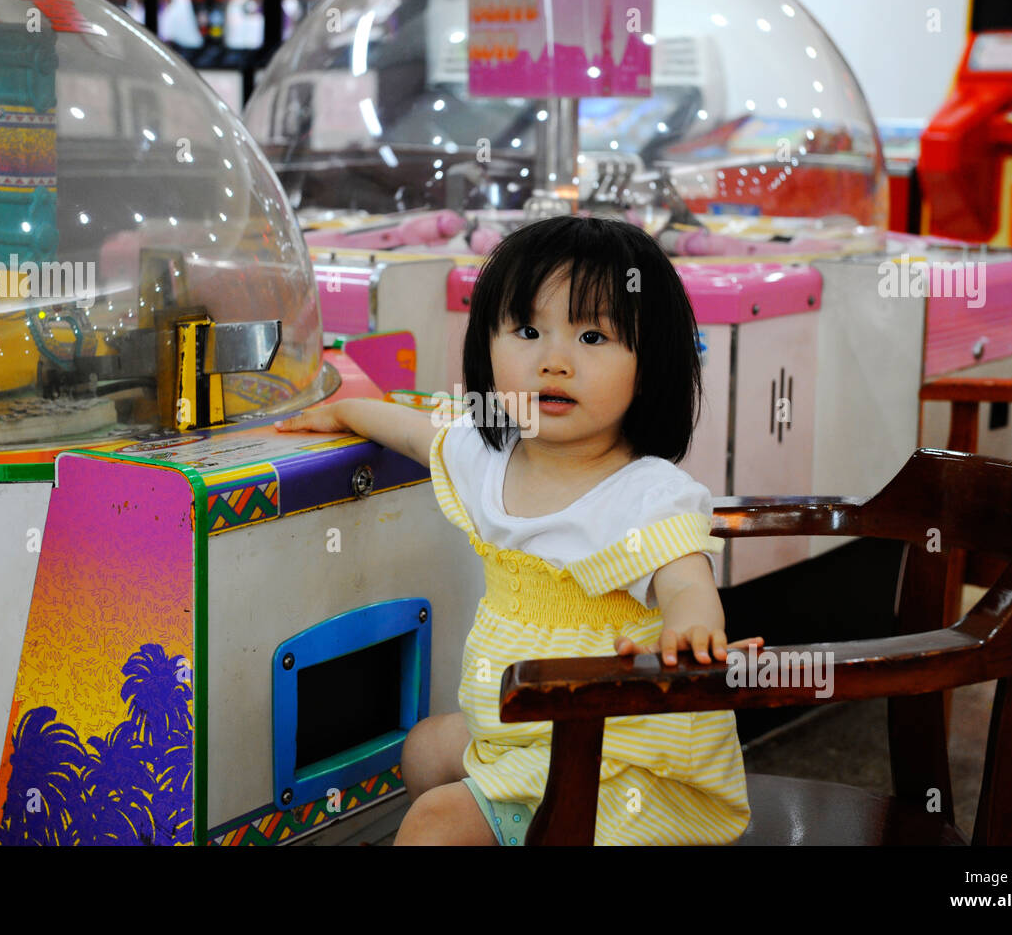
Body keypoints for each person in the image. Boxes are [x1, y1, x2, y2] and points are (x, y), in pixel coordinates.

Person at [275, 216, 761, 845]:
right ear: (487, 344)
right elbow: (416, 432)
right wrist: (343, 410)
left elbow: (688, 582)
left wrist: (690, 633)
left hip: (618, 759)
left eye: (593, 336)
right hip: (523, 728)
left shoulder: (646, 494)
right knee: (423, 749)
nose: (553, 362)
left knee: (432, 824)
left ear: (651, 364)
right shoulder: (487, 457)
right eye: (528, 330)